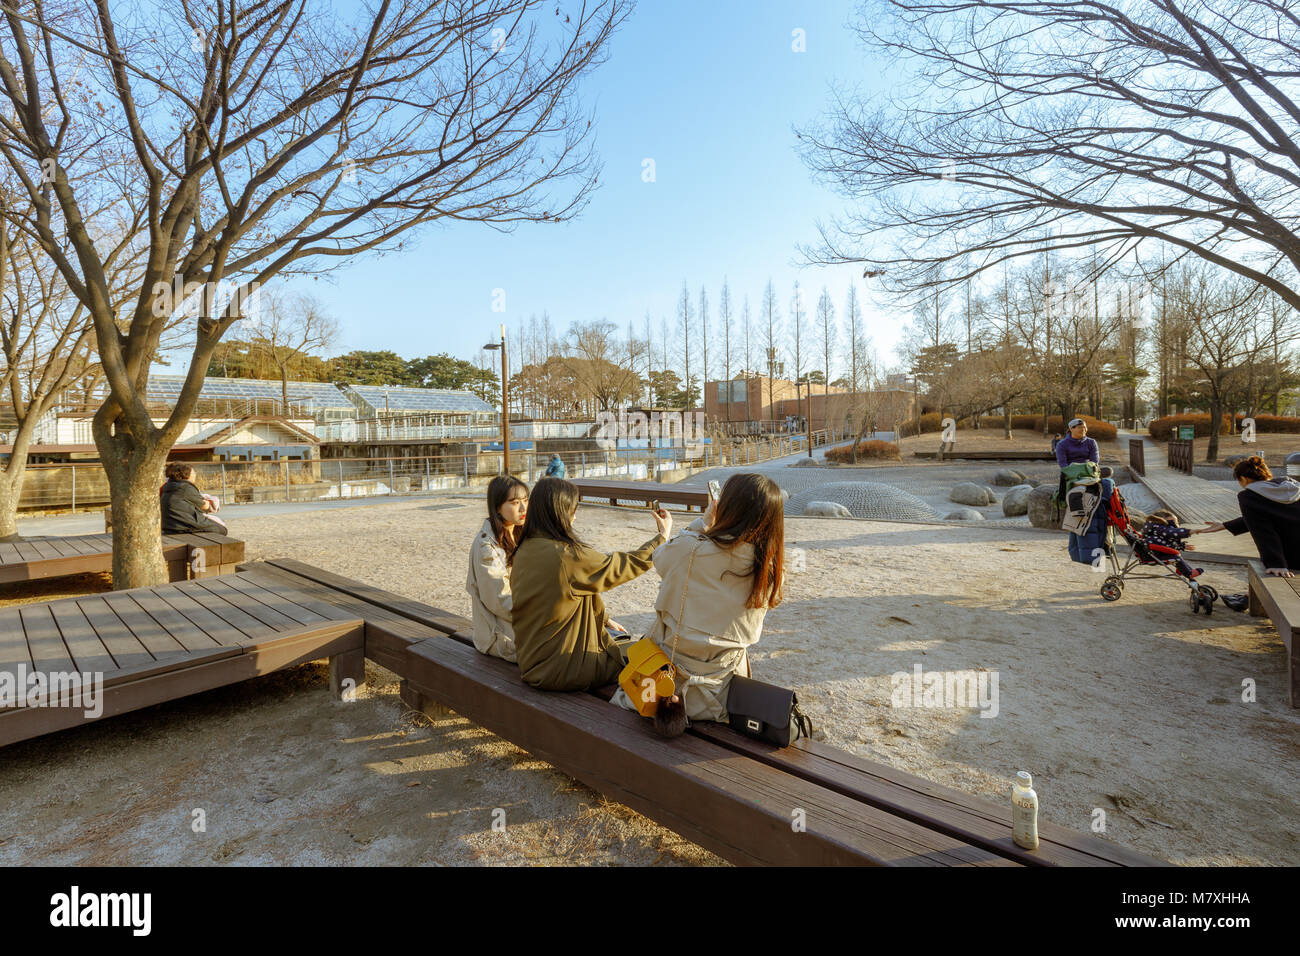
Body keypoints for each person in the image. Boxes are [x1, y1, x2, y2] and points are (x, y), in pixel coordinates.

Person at [616, 473, 785, 723]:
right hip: (720, 699)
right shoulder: (769, 573)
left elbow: (660, 558)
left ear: (726, 507)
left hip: (660, 685)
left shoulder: (690, 550)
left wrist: (703, 523)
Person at [508, 476, 671, 691]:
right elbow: (621, 565)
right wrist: (662, 537)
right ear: (562, 513)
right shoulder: (565, 556)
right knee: (654, 656)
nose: (574, 517)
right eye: (573, 510)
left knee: (622, 642)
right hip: (563, 668)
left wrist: (604, 619)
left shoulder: (525, 548)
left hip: (533, 663)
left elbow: (571, 591)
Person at [1192, 456, 1300, 577]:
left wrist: (1276, 563)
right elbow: (1270, 517)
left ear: (1243, 478)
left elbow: (1263, 531)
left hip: (1291, 557)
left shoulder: (1249, 496)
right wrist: (1225, 525)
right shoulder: (1293, 488)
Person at [465, 475, 528, 662]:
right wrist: (539, 615)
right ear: (498, 506)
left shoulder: (519, 533)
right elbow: (500, 599)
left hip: (516, 622)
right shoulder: (487, 545)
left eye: (525, 500)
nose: (523, 508)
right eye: (515, 502)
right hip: (497, 634)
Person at [160, 463, 226, 534]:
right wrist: (211, 502)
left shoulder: (168, 486)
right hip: (184, 526)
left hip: (170, 525)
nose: (195, 474)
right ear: (186, 474)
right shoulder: (185, 488)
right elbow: (204, 505)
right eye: (193, 472)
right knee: (222, 530)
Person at [1141, 510, 1202, 579]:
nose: (1176, 525)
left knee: (1176, 555)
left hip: (1154, 553)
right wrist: (1190, 531)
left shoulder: (1155, 529)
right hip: (1155, 555)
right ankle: (1189, 573)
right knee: (1176, 558)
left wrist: (1181, 546)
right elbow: (1172, 532)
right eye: (1173, 522)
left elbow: (1165, 544)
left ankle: (1185, 570)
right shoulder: (1161, 529)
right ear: (1163, 521)